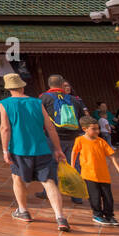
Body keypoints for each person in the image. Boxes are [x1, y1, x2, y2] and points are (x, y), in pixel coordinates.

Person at [0, 72, 71, 231]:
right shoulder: (37, 102)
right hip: (41, 147)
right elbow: (50, 126)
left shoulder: (5, 103)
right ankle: (60, 217)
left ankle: (23, 211)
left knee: (17, 178)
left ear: (8, 88)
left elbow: (5, 128)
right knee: (49, 182)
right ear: (22, 86)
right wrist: (58, 149)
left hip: (18, 149)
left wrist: (5, 150)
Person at [39, 74, 86, 204]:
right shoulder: (74, 99)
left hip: (53, 137)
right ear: (61, 85)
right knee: (74, 164)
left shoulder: (44, 98)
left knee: (51, 165)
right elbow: (82, 118)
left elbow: (38, 117)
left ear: (49, 85)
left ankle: (49, 192)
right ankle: (76, 195)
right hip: (73, 137)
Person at [71, 118, 119, 225]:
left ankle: (109, 216)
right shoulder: (79, 140)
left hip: (103, 175)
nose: (97, 131)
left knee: (108, 198)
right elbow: (74, 152)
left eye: (98, 129)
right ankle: (97, 215)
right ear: (85, 129)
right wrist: (72, 167)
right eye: (94, 129)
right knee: (94, 197)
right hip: (88, 175)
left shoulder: (101, 141)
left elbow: (112, 156)